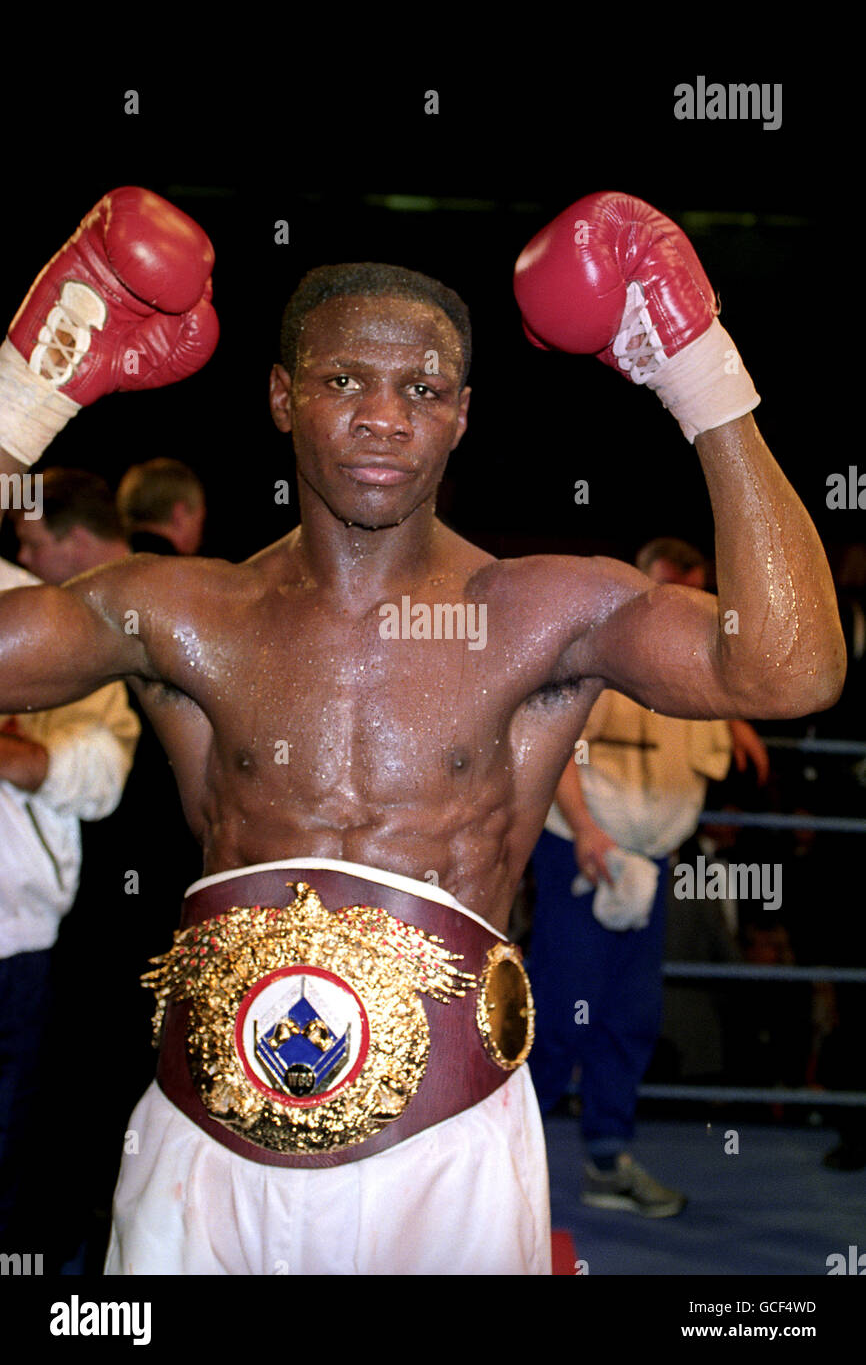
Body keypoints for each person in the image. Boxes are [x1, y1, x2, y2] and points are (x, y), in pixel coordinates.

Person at [0, 186, 846, 1274]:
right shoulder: (177, 611)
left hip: (442, 1151)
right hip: (199, 1155)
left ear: (460, 414)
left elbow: (790, 669)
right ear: (280, 396)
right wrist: (23, 393)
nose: (382, 416)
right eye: (343, 379)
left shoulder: (540, 613)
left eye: (422, 388)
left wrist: (698, 372)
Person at [527, 539, 767, 1216]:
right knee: (558, 1014)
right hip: (580, 845)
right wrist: (586, 830)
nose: (681, 611)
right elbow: (552, 744)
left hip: (651, 857)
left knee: (631, 1014)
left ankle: (607, 1160)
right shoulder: (590, 651)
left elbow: (714, 699)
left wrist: (739, 716)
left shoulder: (693, 671)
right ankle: (508, 1162)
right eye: (672, 594)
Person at [10, 466, 200, 1268]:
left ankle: (73, 1261)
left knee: (76, 1100)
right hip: (179, 898)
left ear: (78, 541)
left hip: (107, 910)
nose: (21, 563)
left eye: (29, 544)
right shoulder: (206, 586)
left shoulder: (104, 610)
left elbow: (98, 777)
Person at [0, 548, 139, 1245]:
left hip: (16, 946)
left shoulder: (38, 608)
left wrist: (28, 759)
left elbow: (106, 764)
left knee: (10, 1153)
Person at [116, 456, 207, 554]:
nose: (200, 539)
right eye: (200, 522)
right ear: (179, 515)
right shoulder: (190, 568)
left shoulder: (105, 561)